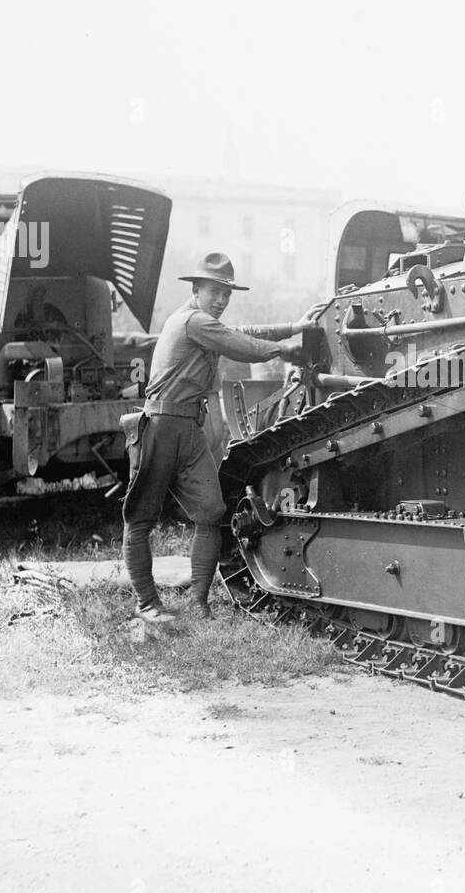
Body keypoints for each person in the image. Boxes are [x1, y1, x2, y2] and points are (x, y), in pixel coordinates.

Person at [122, 252, 320, 623]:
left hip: (189, 430)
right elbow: (238, 346)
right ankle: (147, 604)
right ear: (195, 290)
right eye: (215, 292)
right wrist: (289, 349)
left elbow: (242, 334)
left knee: (211, 513)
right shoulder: (191, 321)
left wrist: (295, 326)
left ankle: (199, 603)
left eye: (226, 294)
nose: (221, 300)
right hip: (161, 424)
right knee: (140, 518)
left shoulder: (206, 324)